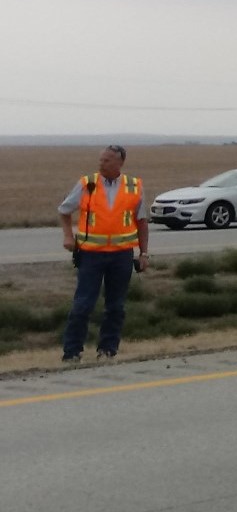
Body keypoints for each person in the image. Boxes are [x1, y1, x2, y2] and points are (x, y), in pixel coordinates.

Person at [57, 145, 149, 363]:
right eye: (101, 160)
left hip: (121, 256)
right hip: (91, 255)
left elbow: (142, 222)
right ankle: (72, 352)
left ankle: (108, 350)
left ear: (120, 163)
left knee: (115, 306)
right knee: (83, 304)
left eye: (107, 160)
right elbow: (64, 211)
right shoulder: (87, 183)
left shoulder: (134, 186)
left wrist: (144, 253)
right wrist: (68, 237)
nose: (102, 164)